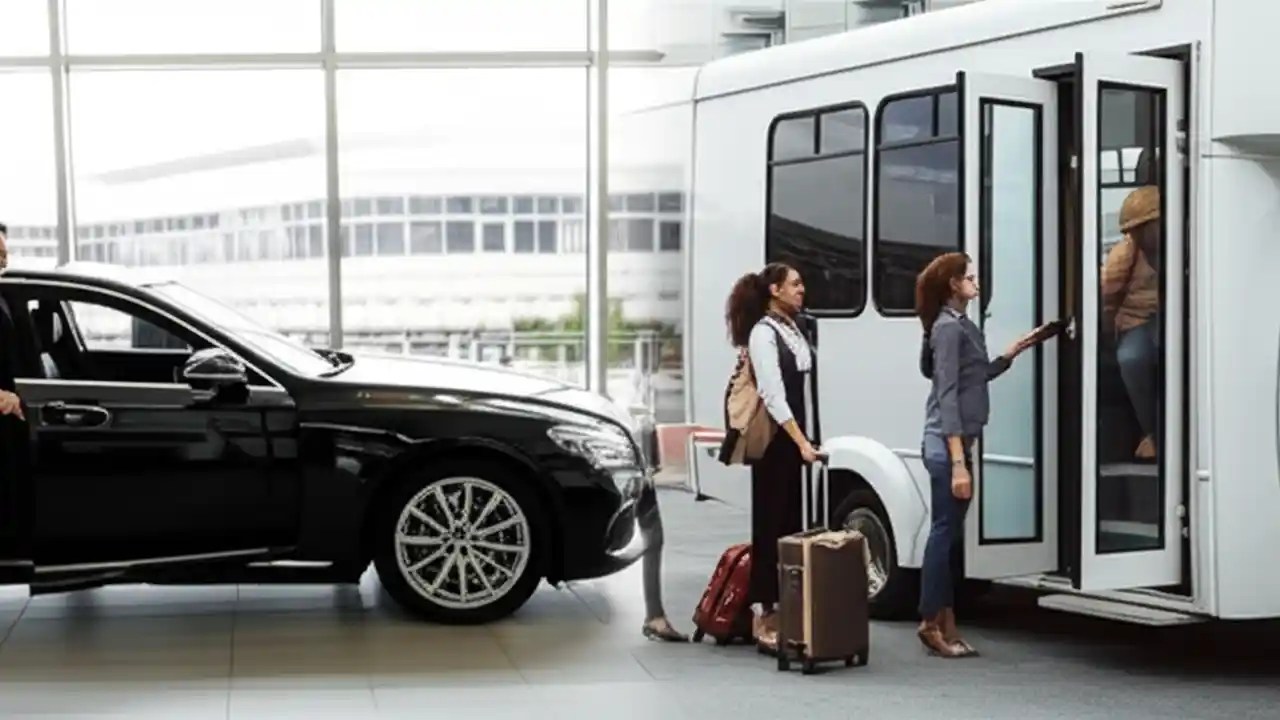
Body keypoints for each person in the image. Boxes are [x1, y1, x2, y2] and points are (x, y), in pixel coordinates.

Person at [914, 252, 1043, 658]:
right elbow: (948, 394)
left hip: (953, 446)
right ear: (953, 284)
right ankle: (930, 622)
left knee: (949, 537)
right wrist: (957, 463)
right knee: (943, 536)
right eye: (969, 277)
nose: (977, 283)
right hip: (946, 447)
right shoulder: (948, 329)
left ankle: (944, 623)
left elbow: (977, 376)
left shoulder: (960, 325)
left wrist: (1015, 351)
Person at [724, 262, 819, 648]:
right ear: (775, 290)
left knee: (790, 524)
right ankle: (764, 613)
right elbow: (773, 395)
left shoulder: (792, 328)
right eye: (795, 284)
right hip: (777, 442)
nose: (802, 290)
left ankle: (787, 609)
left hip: (793, 440)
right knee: (770, 524)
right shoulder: (764, 333)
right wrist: (800, 441)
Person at [1102, 186, 1161, 460]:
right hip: (1135, 323)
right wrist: (1106, 335)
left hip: (1172, 321)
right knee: (1132, 359)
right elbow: (1106, 298)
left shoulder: (1188, 245)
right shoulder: (1124, 255)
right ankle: (1152, 432)